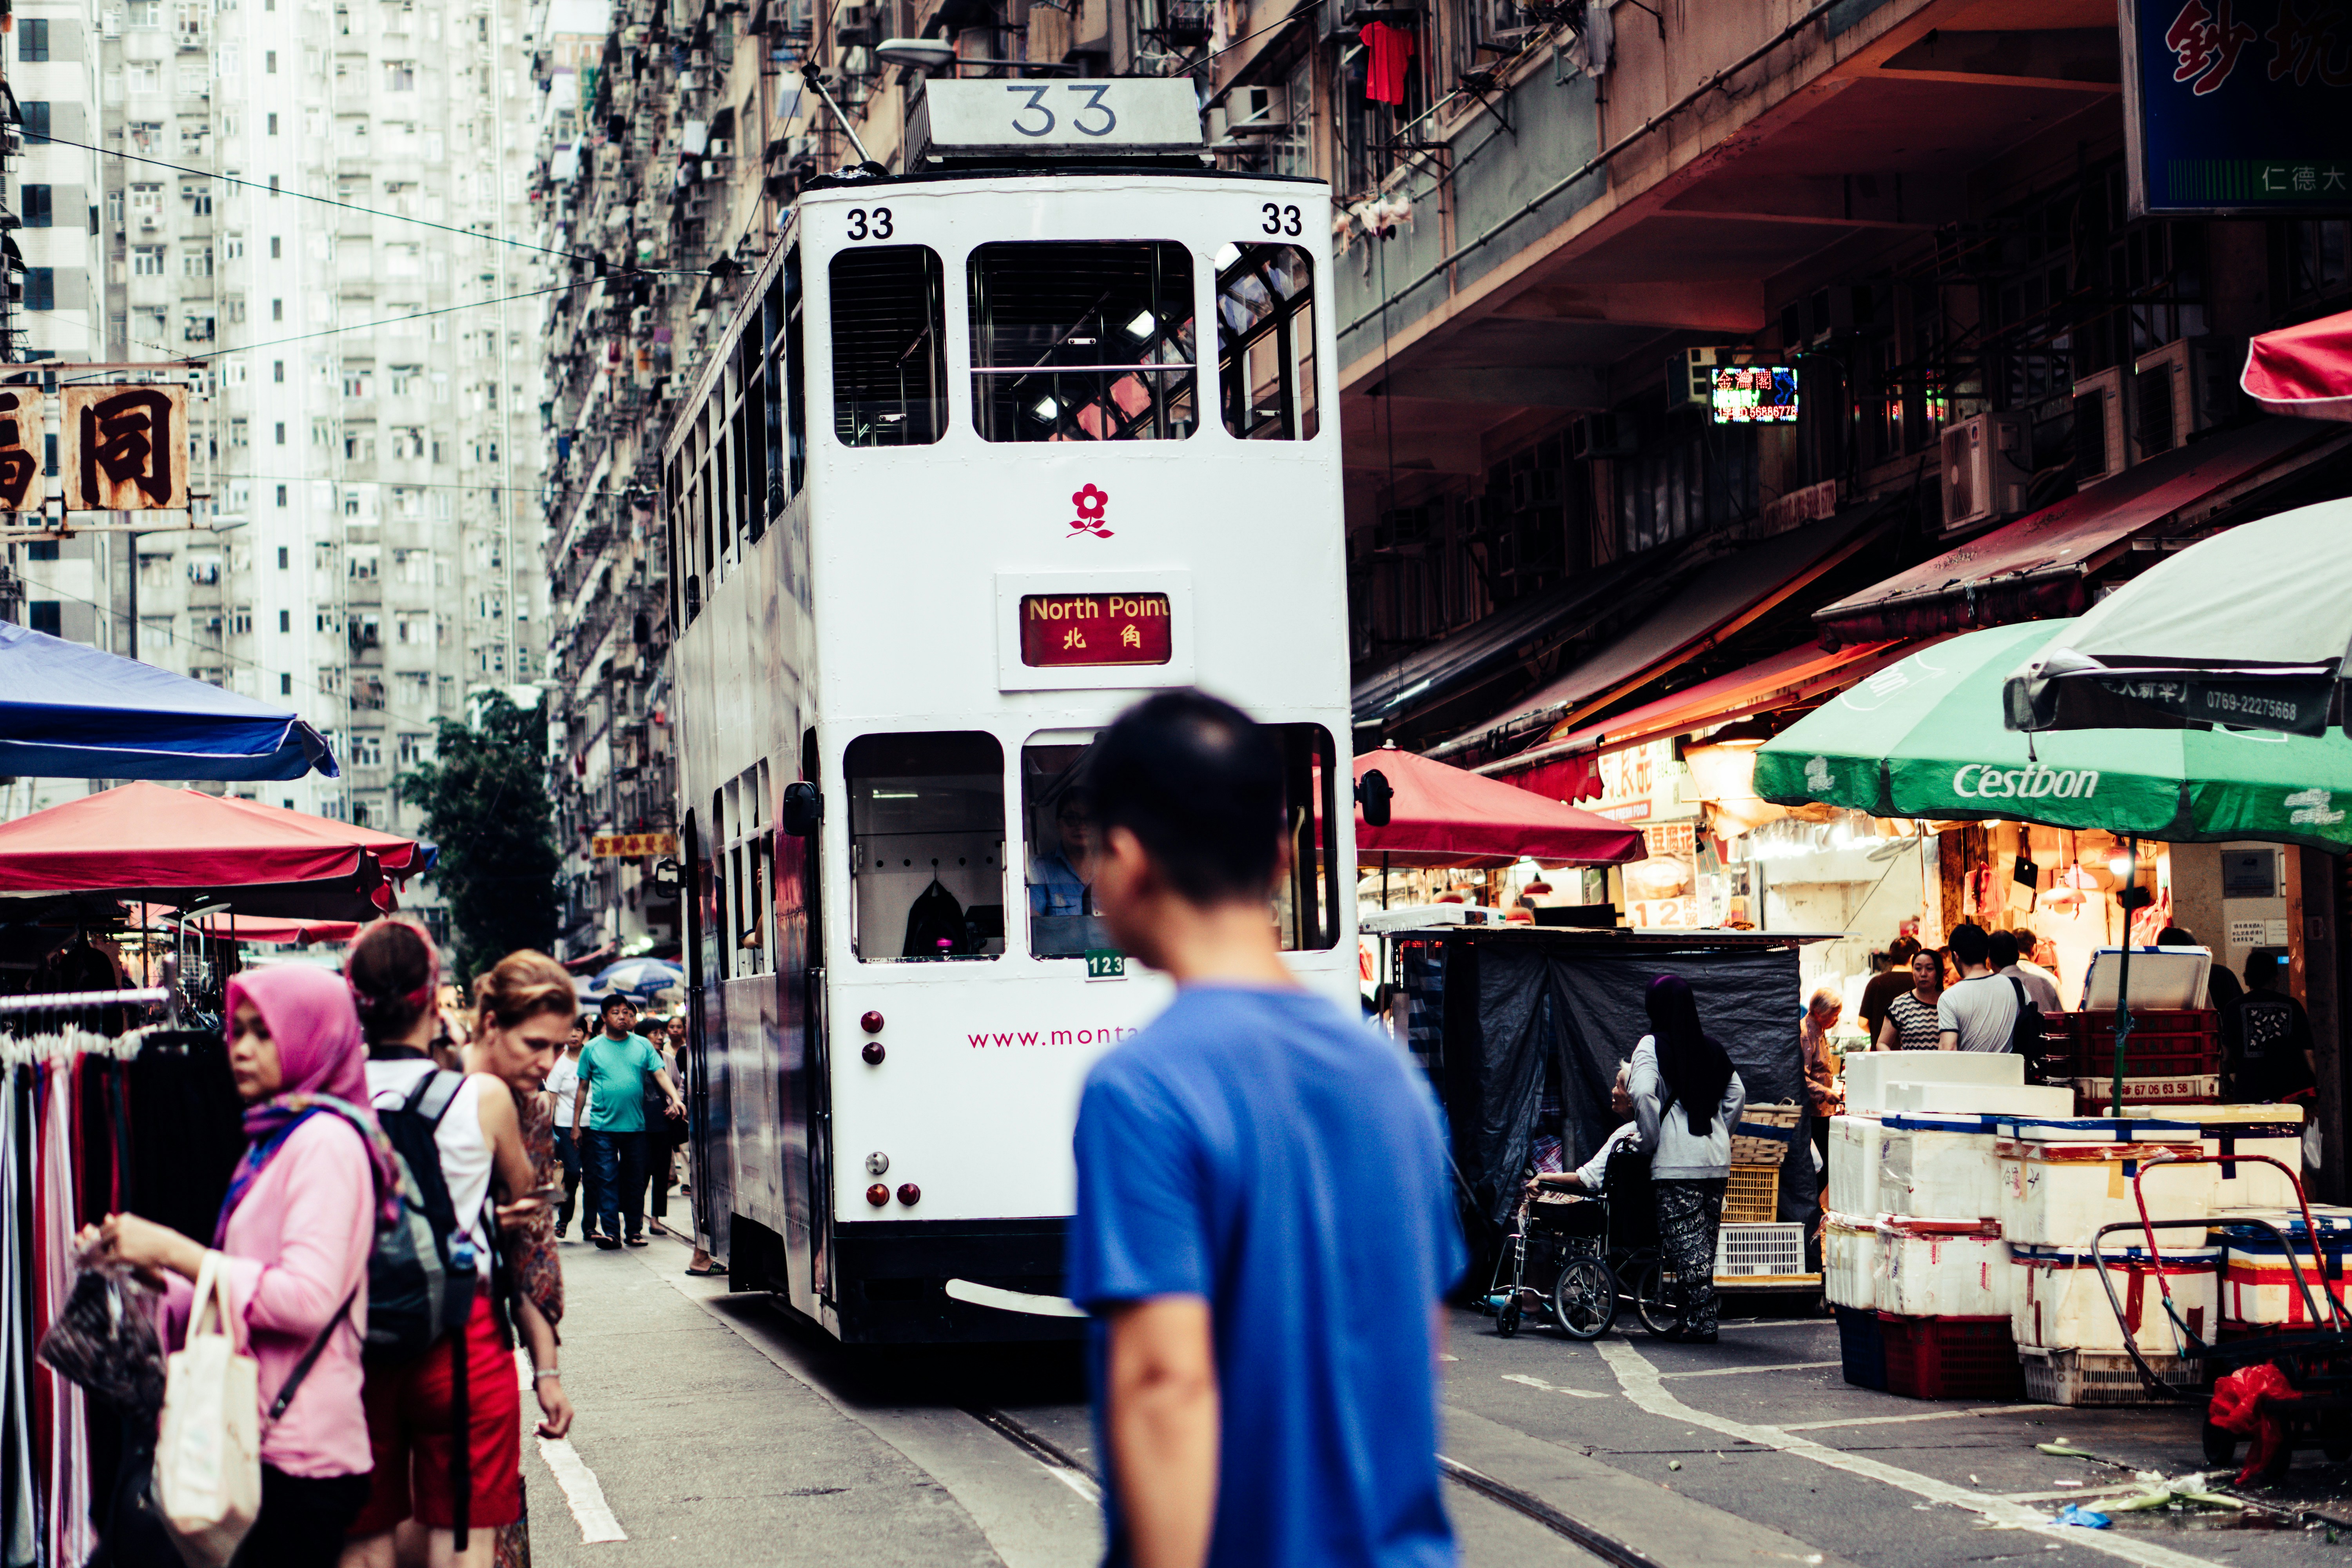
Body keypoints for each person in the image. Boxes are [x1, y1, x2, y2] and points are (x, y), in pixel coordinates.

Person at [1065, 690, 1463, 1568]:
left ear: (1127, 862)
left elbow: (1165, 1382)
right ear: (1284, 853)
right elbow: (1417, 1342)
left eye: (1089, 849)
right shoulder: (1390, 1078)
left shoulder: (1141, 1090)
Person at [85, 967, 397, 1568]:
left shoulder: (326, 1143)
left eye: (264, 1033)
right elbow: (242, 1279)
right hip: (254, 1438)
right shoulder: (276, 1139)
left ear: (314, 1036)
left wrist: (174, 1250)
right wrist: (154, 1275)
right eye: (237, 1032)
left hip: (295, 1453)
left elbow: (307, 1300)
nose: (241, 1049)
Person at [342, 926, 571, 1568]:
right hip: (461, 1332)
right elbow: (526, 1212)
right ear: (433, 999)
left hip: (355, 1331)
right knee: (463, 1536)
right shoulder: (484, 1098)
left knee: (363, 1536)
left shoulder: (327, 1094)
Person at [1630, 973, 1745, 1344]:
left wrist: (1651, 1140)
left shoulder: (1650, 1045)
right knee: (1702, 1247)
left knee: (1686, 1245)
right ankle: (1690, 1318)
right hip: (1715, 1157)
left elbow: (1645, 1093)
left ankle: (1703, 1324)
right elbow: (1738, 1093)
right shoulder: (1710, 1046)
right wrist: (1720, 1132)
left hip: (1677, 1160)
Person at [573, 995, 686, 1249]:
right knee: (607, 1179)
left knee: (635, 1180)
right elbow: (582, 1087)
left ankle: (634, 1231)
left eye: (626, 1012)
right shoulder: (592, 1049)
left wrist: (675, 1098)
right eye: (615, 1013)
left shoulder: (642, 1046)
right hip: (602, 1127)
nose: (622, 1017)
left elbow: (660, 1073)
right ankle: (612, 1233)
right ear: (604, 1018)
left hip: (637, 1127)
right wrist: (575, 1126)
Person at [1529, 1066, 1641, 1195]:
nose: (1613, 1090)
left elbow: (1588, 1179)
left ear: (1631, 1098)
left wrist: (1542, 1178)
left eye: (1617, 1085)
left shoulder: (1627, 1132)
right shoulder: (1646, 1129)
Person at [2232, 953, 2317, 1103]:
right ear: (2277, 978)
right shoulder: (2293, 1006)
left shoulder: (2233, 1008)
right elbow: (2309, 1053)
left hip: (2247, 1094)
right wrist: (2313, 1091)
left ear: (2246, 979)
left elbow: (2226, 1056)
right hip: (2287, 1094)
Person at [1937, 923, 2021, 1053]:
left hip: (1970, 1073)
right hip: (2011, 1072)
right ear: (1987, 953)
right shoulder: (2014, 986)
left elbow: (1948, 1049)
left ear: (1956, 956)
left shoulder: (1949, 998)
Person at [543, 1018, 589, 1241]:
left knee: (596, 1177)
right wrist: (547, 1129)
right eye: (570, 1030)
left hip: (595, 1123)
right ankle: (564, 1219)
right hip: (565, 1125)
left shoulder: (591, 1059)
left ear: (585, 1034)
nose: (574, 1034)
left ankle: (590, 1227)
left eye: (578, 1030)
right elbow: (551, 1098)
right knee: (572, 1172)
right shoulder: (559, 1065)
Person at [1028, 786, 1097, 916]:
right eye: (1072, 818)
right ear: (1059, 824)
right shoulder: (1041, 869)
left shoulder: (1114, 868)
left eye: (1089, 819)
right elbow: (1034, 926)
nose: (1082, 826)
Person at [1800, 985, 1843, 1162]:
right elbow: (1800, 1077)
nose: (1836, 1020)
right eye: (1834, 1015)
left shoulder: (1819, 1030)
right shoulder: (1805, 1034)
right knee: (1821, 1164)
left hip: (1824, 1111)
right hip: (1813, 1113)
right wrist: (1825, 1092)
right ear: (1819, 1013)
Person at [1875, 947, 1945, 1051]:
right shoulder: (1900, 1005)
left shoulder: (1948, 1003)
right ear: (1912, 971)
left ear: (1938, 972)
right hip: (1909, 1066)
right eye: (1918, 969)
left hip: (1942, 1066)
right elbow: (1882, 1043)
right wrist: (1896, 1063)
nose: (1923, 974)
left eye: (1930, 969)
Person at [1856, 936, 1920, 1045]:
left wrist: (1882, 1033)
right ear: (1913, 958)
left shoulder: (1875, 983)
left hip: (1881, 1057)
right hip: (1910, 1056)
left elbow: (1862, 1023)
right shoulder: (1919, 983)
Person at [1991, 929, 2063, 1015]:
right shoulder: (2049, 981)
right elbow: (2061, 1018)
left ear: (1990, 960)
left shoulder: (1989, 984)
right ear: (2034, 949)